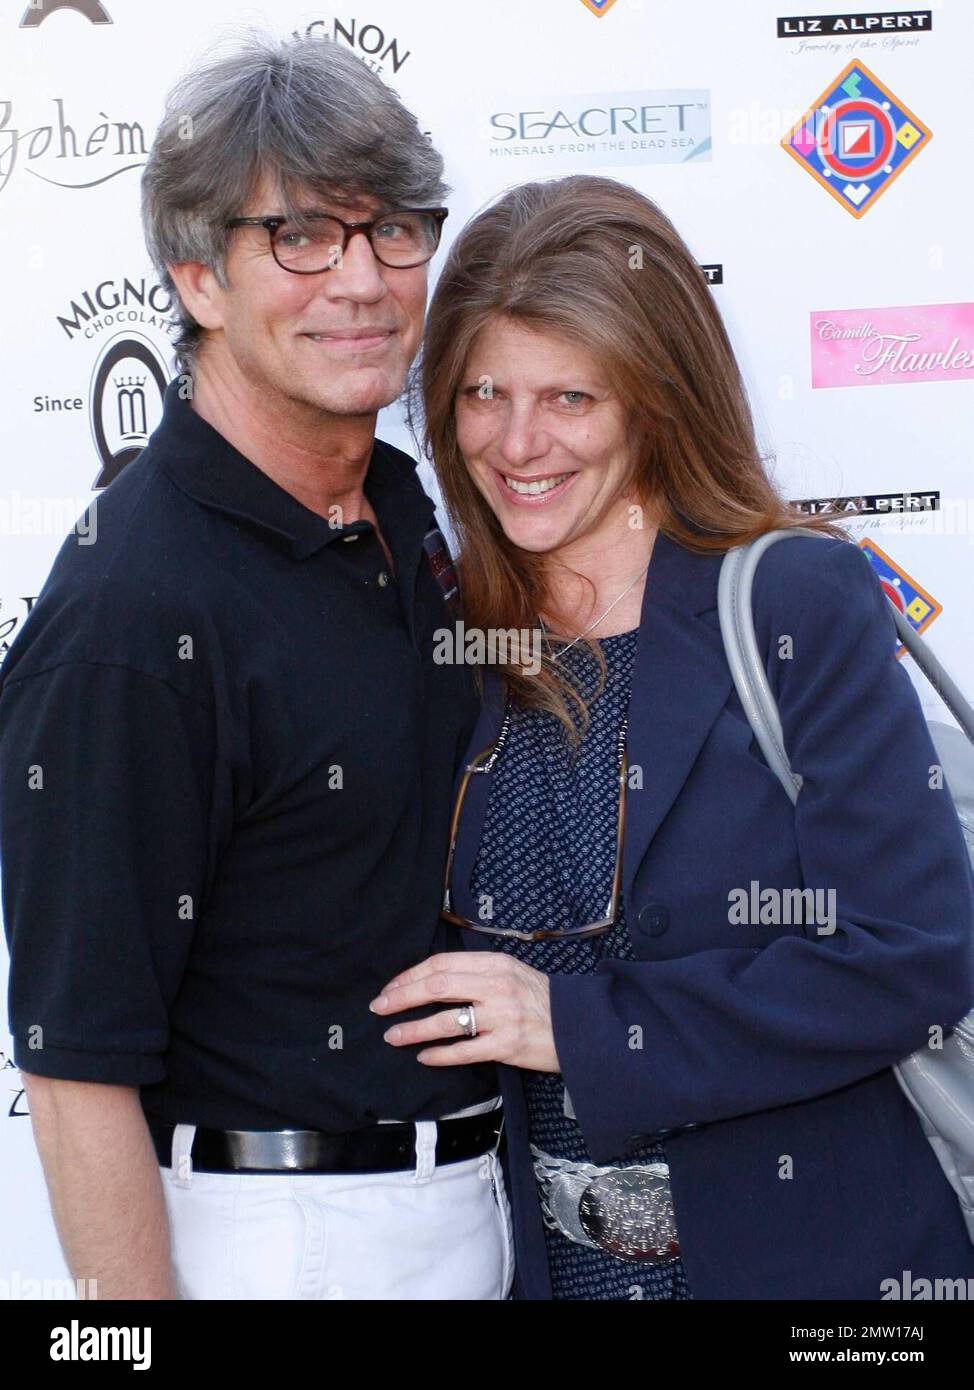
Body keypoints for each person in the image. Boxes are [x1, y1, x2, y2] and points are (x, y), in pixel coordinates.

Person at [370, 174, 974, 1300]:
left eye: (569, 399)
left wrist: (585, 1027)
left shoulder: (794, 600)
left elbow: (908, 957)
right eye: (481, 392)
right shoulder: (455, 642)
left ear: (655, 397)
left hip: (816, 1276)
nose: (516, 441)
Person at [0, 34, 511, 1301]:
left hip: (473, 1209)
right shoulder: (130, 614)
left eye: (392, 228)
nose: (363, 279)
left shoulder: (404, 511)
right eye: (300, 237)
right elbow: (74, 1066)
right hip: (278, 1249)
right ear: (197, 277)